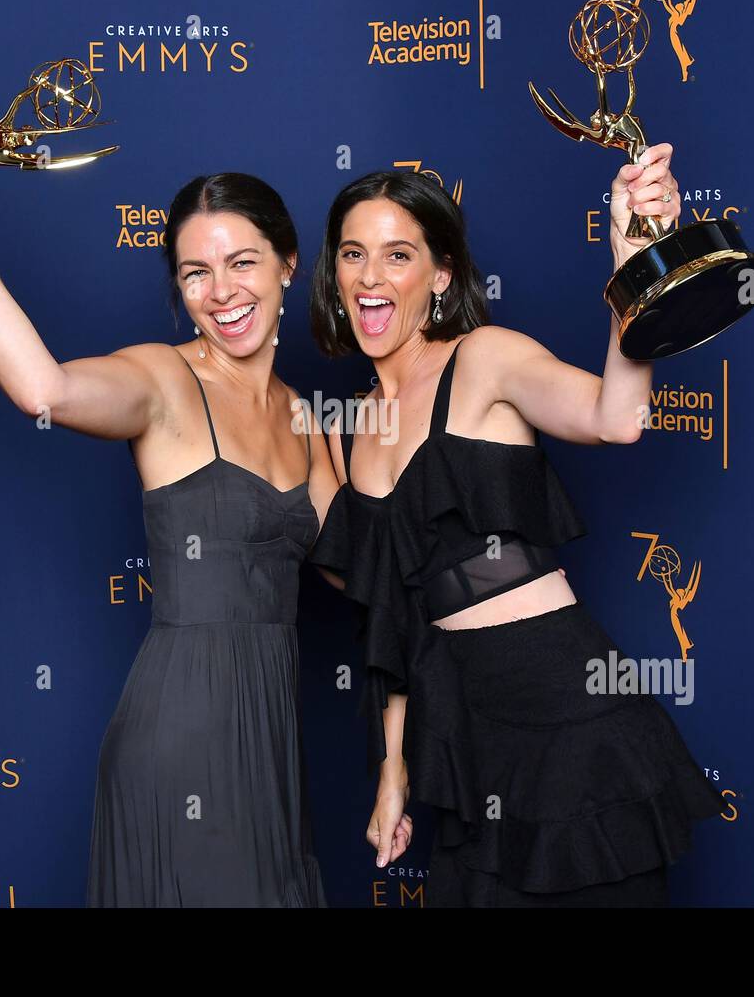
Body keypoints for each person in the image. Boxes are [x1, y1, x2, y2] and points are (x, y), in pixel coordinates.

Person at [0, 126, 335, 906]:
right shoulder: (162, 381)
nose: (221, 291)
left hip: (271, 743)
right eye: (196, 273)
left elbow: (363, 566)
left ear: (288, 263)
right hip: (184, 738)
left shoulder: (309, 417)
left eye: (242, 262)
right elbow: (44, 390)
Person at [307, 144, 727, 907]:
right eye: (353, 254)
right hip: (467, 743)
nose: (370, 277)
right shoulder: (343, 430)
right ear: (333, 273)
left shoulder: (484, 359)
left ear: (439, 276)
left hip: (566, 710)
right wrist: (393, 776)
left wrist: (633, 268)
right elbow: (394, 623)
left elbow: (617, 418)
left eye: (398, 255)